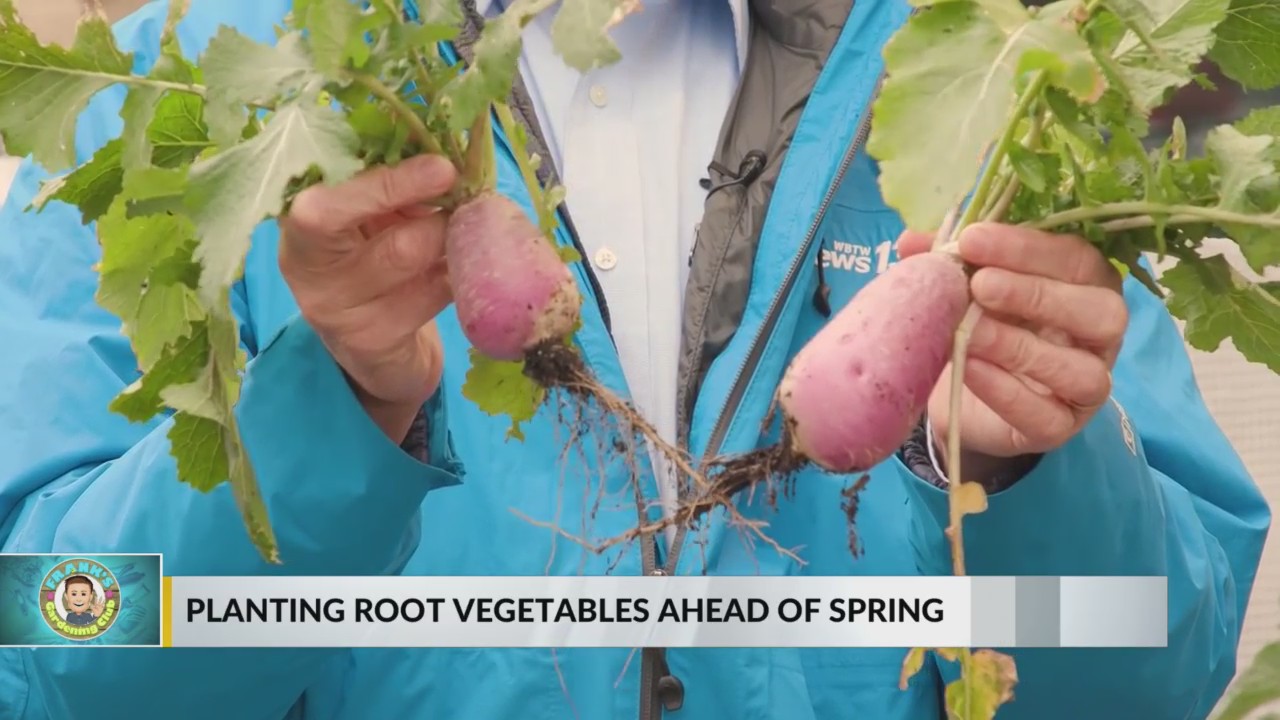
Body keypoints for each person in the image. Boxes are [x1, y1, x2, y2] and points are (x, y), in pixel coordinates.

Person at [0, 0, 1269, 719]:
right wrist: (333, 405)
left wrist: (1013, 464)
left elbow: (1148, 672)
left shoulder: (986, 75)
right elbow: (50, 649)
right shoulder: (204, 105)